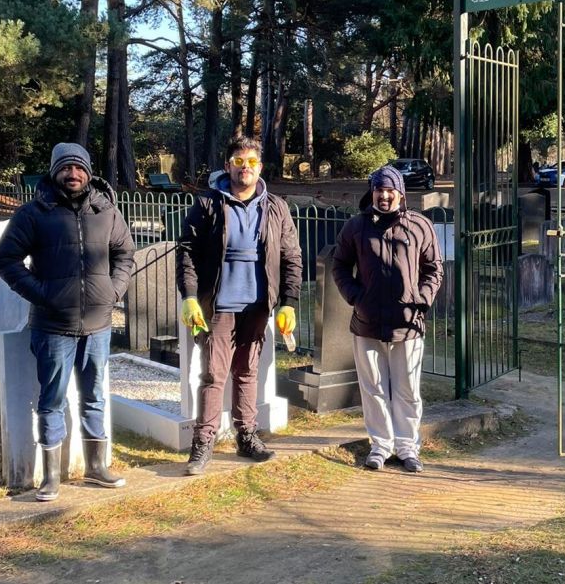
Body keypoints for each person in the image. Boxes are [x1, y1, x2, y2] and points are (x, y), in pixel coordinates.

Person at [0, 142, 135, 502]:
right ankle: (51, 477)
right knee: (52, 399)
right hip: (53, 326)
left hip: (98, 325)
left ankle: (96, 467)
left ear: (88, 172)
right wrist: (43, 294)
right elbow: (6, 259)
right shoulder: (34, 213)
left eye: (79, 168)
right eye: (66, 168)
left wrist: (114, 291)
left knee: (95, 396)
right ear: (55, 171)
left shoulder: (107, 211)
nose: (73, 174)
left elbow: (125, 253)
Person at [177, 136, 302, 476]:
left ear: (260, 167)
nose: (244, 167)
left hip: (258, 305)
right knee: (214, 374)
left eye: (251, 162)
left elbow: (291, 256)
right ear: (227, 166)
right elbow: (186, 251)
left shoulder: (276, 207)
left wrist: (288, 302)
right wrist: (189, 297)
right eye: (238, 161)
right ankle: (203, 444)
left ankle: (246, 436)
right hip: (219, 304)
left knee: (247, 371)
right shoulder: (208, 205)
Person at [331, 165, 443, 473]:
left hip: (407, 325)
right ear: (372, 192)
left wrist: (421, 299)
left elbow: (435, 268)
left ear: (401, 193)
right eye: (379, 190)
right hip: (367, 324)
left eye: (390, 190)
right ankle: (380, 446)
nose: (384, 195)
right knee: (374, 389)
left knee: (407, 390)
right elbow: (340, 265)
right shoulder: (356, 227)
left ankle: (407, 447)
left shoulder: (420, 225)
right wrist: (356, 297)